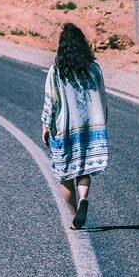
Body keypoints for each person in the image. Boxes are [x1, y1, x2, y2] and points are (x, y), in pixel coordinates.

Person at [41, 23, 109, 230]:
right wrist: (103, 121)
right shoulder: (94, 69)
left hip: (65, 128)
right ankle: (84, 199)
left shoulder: (56, 72)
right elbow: (102, 97)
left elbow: (50, 101)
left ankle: (73, 218)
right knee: (83, 169)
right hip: (90, 128)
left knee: (65, 174)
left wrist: (46, 125)